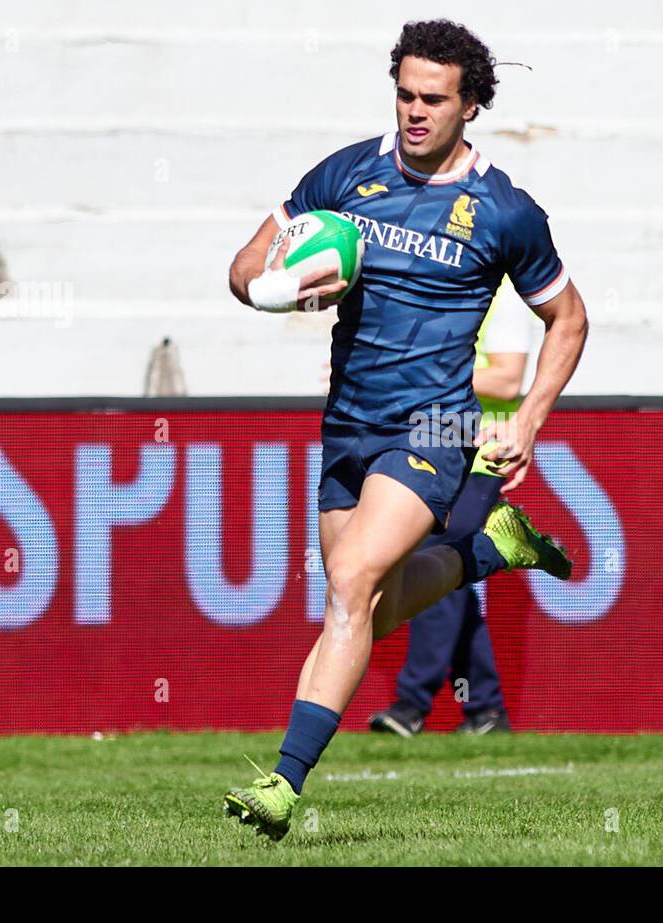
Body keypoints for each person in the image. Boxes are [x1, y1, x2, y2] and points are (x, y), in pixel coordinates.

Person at [224, 19, 589, 840]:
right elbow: (244, 268)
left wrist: (529, 418)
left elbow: (568, 318)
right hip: (347, 423)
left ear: (470, 107)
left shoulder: (504, 210)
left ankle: (284, 784)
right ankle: (492, 550)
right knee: (367, 608)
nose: (414, 111)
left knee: (351, 583)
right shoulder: (348, 173)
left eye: (433, 99)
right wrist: (276, 289)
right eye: (404, 94)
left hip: (434, 425)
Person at [369, 277, 534, 737]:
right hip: (438, 449)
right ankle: (486, 709)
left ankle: (410, 705)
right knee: (451, 571)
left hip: (485, 454)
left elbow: (507, 376)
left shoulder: (503, 297)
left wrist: (414, 372)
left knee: (433, 554)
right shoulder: (443, 290)